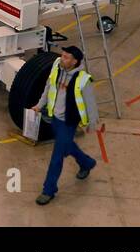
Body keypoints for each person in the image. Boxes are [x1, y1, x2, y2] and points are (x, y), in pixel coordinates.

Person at [30, 46, 102, 205]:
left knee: (57, 157)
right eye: (62, 56)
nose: (62, 59)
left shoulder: (83, 79)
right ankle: (87, 163)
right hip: (54, 118)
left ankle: (48, 190)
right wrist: (39, 105)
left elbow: (91, 104)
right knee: (68, 146)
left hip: (68, 122)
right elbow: (48, 87)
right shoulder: (57, 66)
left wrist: (92, 123)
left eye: (66, 58)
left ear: (75, 61)